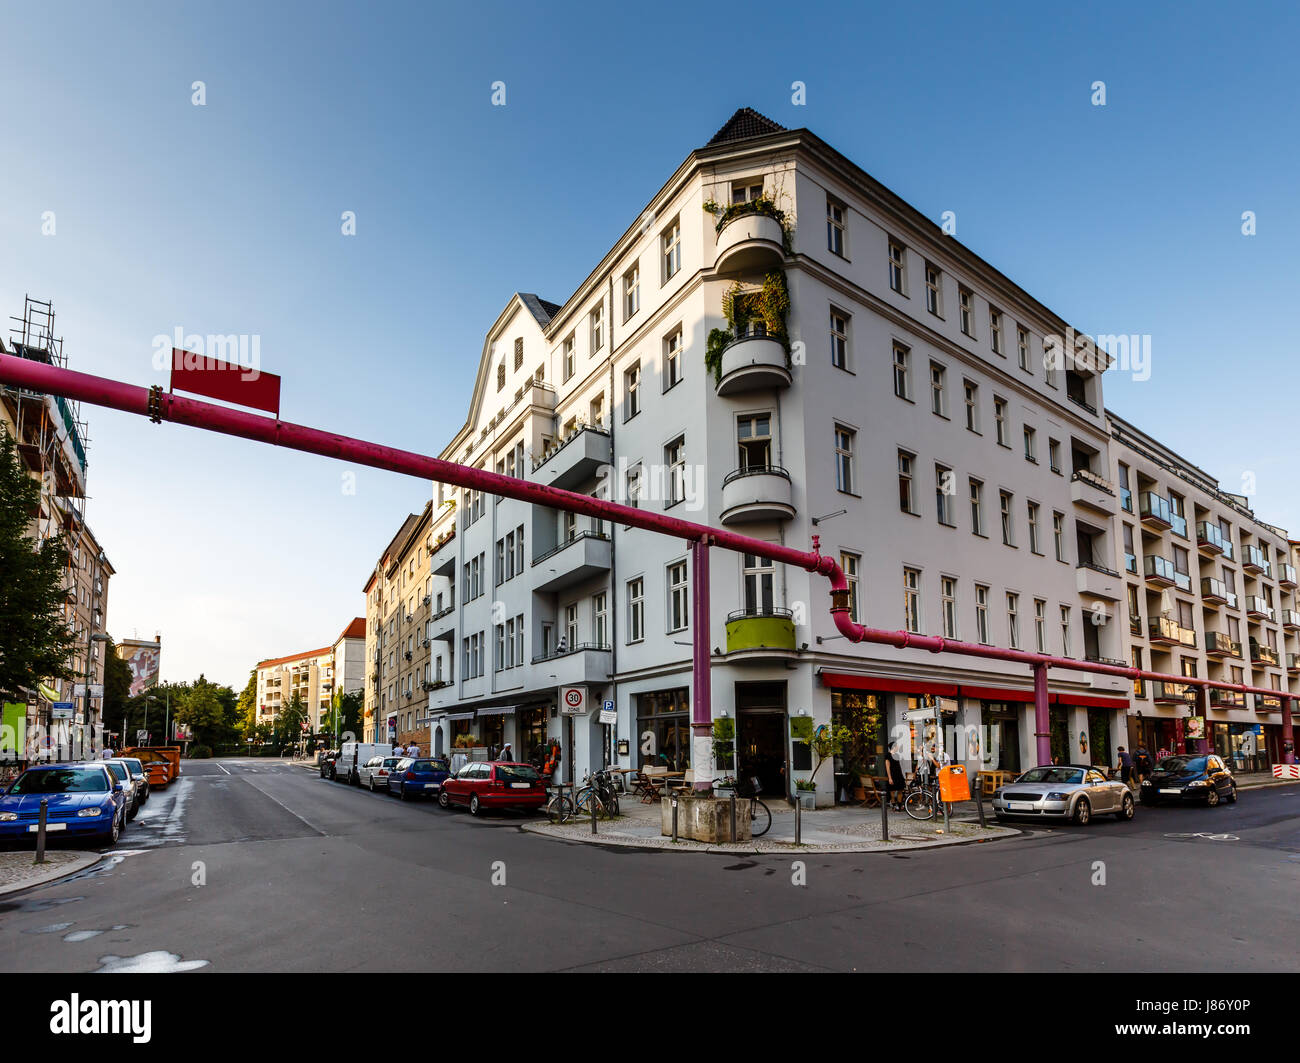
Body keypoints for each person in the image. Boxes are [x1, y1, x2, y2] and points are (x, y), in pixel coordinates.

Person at [883, 741, 906, 811]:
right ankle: (893, 805)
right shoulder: (888, 756)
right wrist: (890, 778)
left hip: (899, 774)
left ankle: (899, 805)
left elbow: (898, 766)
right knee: (892, 791)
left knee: (900, 790)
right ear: (893, 747)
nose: (898, 747)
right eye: (897, 746)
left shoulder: (897, 755)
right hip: (892, 775)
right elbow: (887, 767)